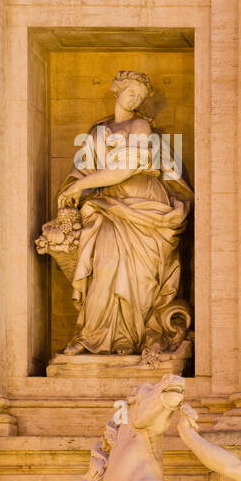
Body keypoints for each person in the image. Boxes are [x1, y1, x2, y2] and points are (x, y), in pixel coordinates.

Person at [56, 70, 190, 357]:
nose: (135, 99)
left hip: (144, 205)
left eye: (140, 96)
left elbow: (125, 169)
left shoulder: (140, 126)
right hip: (109, 207)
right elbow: (83, 170)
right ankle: (93, 335)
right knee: (104, 263)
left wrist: (80, 185)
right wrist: (71, 191)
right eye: (131, 92)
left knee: (140, 276)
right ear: (117, 90)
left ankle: (129, 339)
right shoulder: (98, 133)